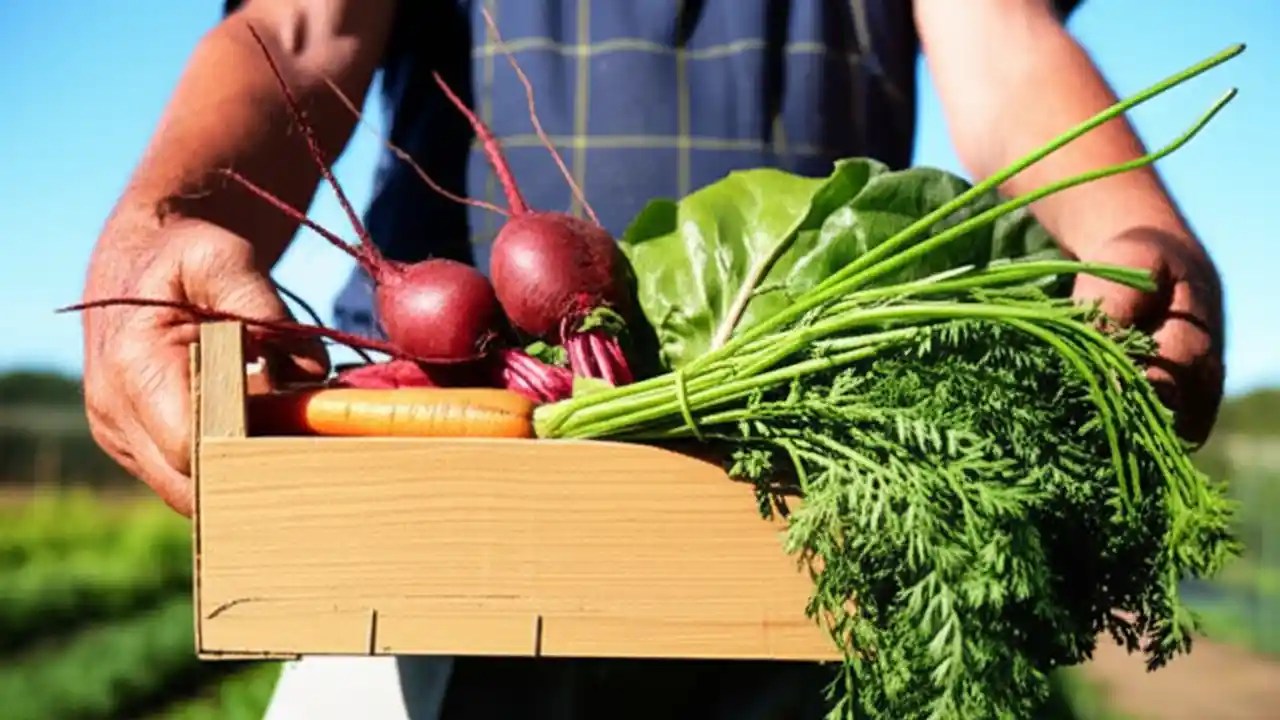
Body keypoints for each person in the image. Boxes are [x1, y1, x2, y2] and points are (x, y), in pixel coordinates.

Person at [77, 1, 1226, 718]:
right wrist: (162, 217)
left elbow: (1002, 40)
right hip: (433, 528)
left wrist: (1134, 230)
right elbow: (297, 29)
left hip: (809, 516)